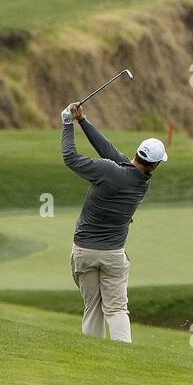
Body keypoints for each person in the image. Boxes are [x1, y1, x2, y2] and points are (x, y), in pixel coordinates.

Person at [60, 101, 167, 343]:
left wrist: (67, 124)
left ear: (138, 153)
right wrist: (82, 121)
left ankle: (92, 357)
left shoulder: (110, 171)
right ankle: (123, 357)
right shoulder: (142, 181)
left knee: (93, 309)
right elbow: (109, 151)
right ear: (156, 165)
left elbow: (70, 157)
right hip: (113, 256)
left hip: (84, 252)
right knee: (117, 309)